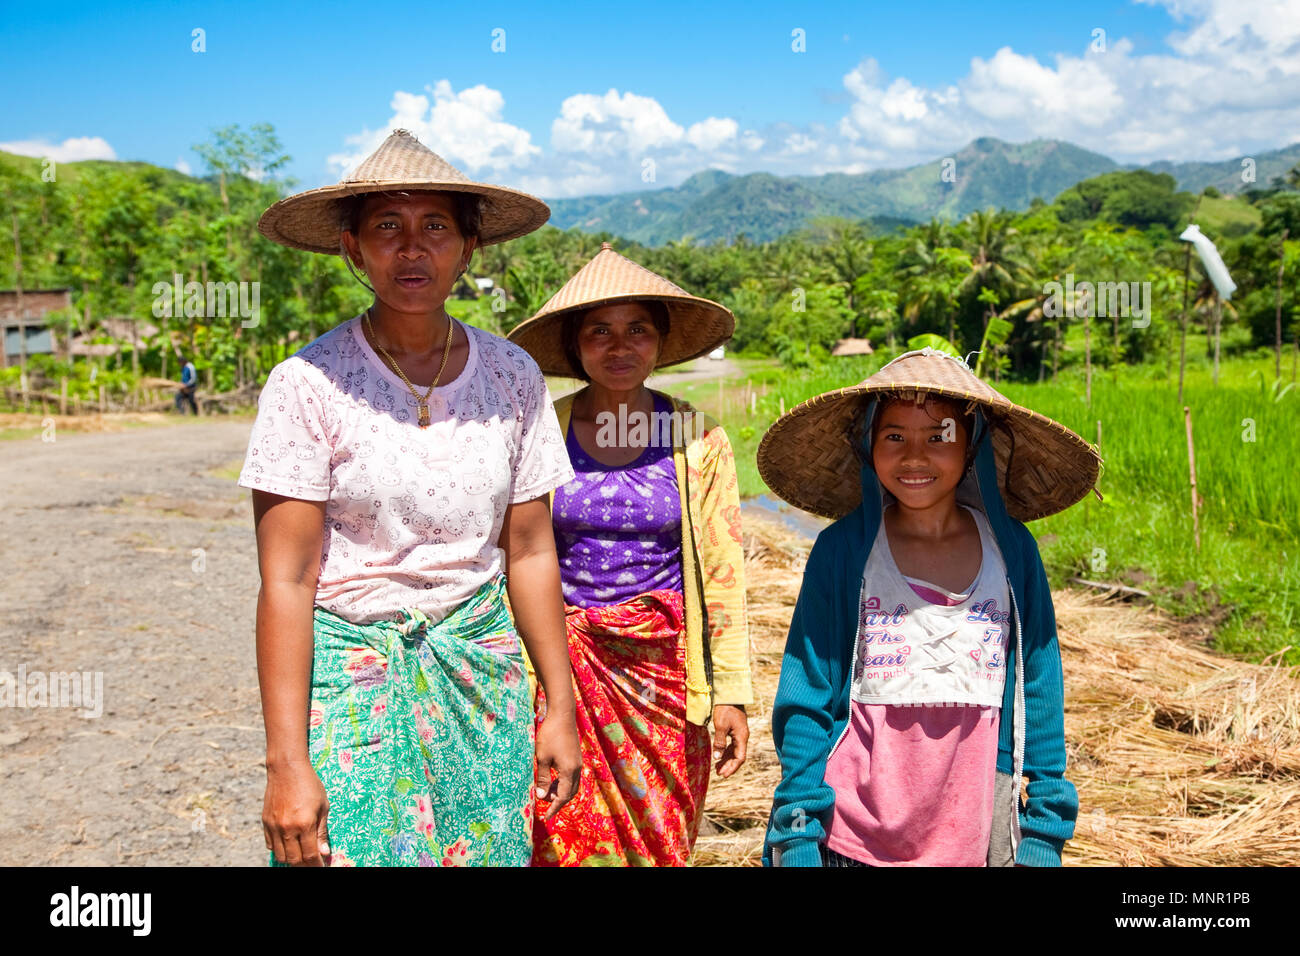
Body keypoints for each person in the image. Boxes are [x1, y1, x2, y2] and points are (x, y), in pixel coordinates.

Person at [238, 129, 582, 867]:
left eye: (435, 228)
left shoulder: (513, 377)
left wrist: (559, 703)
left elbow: (527, 549)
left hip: (482, 678)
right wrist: (286, 763)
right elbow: (288, 581)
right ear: (352, 250)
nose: (412, 249)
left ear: (469, 248)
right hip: (352, 679)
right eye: (387, 228)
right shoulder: (307, 384)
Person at [757, 347, 1101, 867]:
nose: (914, 456)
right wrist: (799, 830)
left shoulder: (1011, 552)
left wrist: (1045, 827)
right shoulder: (844, 550)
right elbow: (807, 694)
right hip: (849, 837)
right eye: (894, 436)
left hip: (975, 832)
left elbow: (1040, 687)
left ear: (971, 448)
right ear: (869, 445)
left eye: (939, 436)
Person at [507, 243, 753, 866]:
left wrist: (730, 691)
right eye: (600, 331)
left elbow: (723, 570)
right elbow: (516, 551)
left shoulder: (697, 437)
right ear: (576, 346)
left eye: (637, 329)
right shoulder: (543, 429)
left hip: (669, 677)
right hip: (563, 669)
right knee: (561, 833)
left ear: (661, 342)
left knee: (661, 840)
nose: (619, 347)